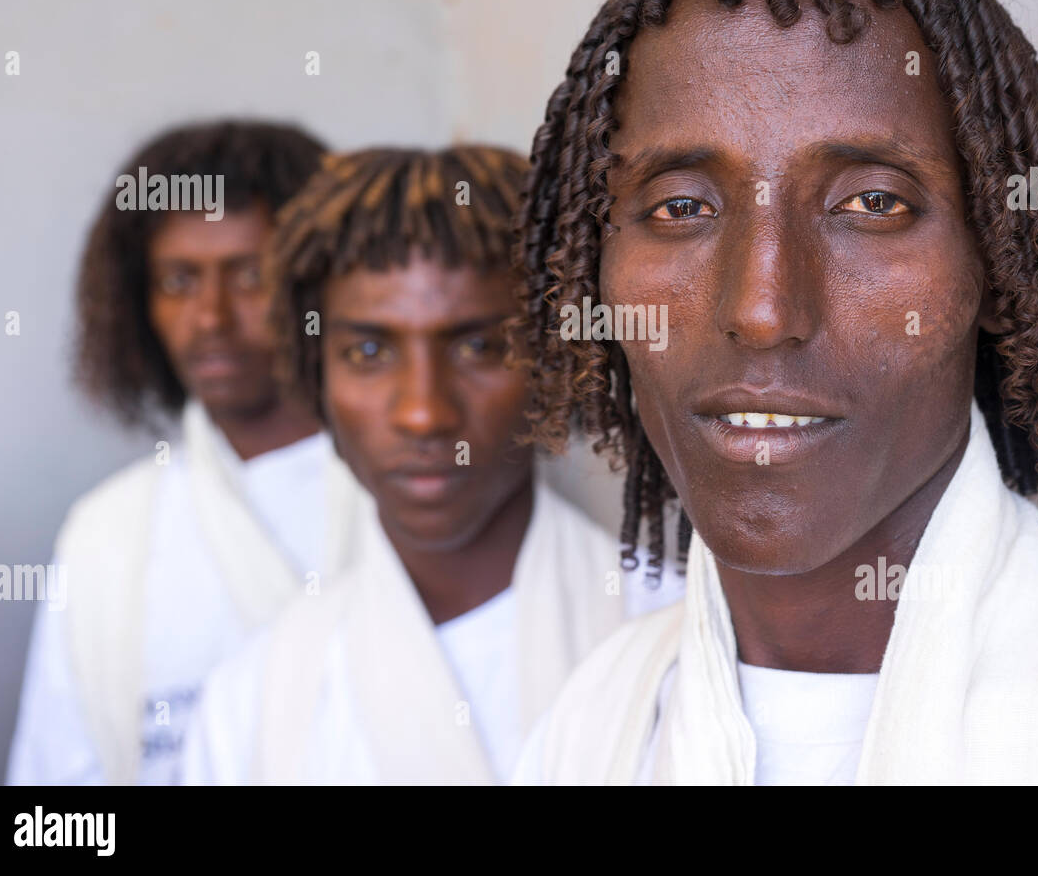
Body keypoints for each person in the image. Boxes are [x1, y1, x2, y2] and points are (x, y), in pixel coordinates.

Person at [510, 0, 1038, 784]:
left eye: (871, 202)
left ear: (996, 259)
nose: (762, 308)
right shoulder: (594, 729)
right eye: (680, 205)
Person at [183, 146, 683, 785]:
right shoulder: (252, 704)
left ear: (557, 362)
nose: (424, 412)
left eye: (478, 346)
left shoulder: (681, 641)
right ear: (315, 374)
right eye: (368, 350)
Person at [7, 119, 365, 785]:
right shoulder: (107, 533)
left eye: (249, 276)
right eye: (178, 281)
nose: (210, 317)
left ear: (322, 282)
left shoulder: (420, 490)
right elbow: (53, 793)